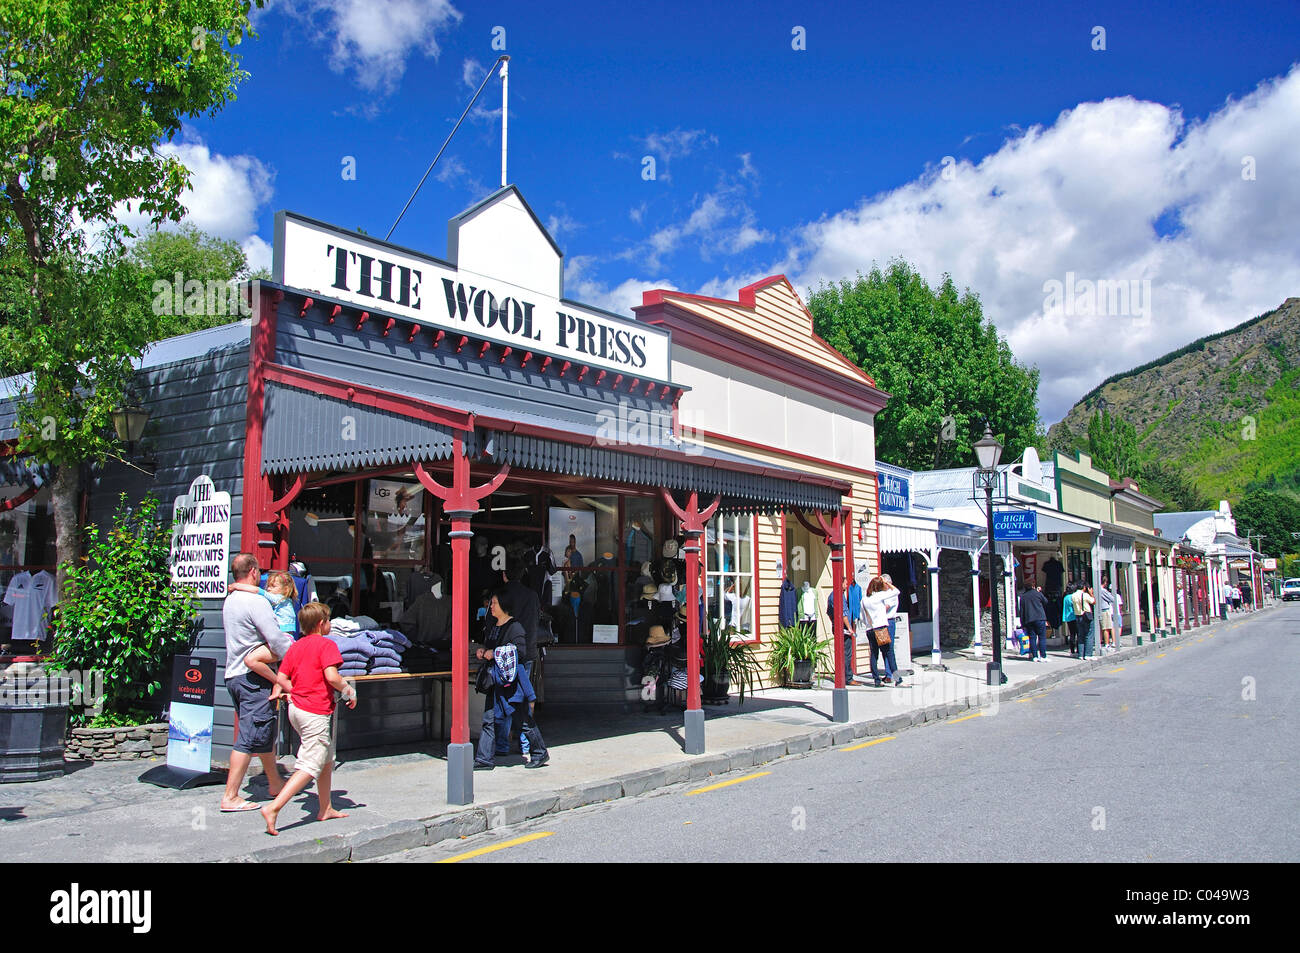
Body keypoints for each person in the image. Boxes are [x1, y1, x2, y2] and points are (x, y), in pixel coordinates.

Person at [259, 602, 357, 836]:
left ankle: (325, 808)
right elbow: (332, 677)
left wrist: (296, 689)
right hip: (315, 711)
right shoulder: (327, 645)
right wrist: (349, 691)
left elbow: (281, 677)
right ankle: (274, 808)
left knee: (325, 757)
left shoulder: (296, 646)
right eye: (329, 620)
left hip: (296, 709)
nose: (330, 624)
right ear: (322, 623)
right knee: (310, 763)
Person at [220, 553, 294, 813]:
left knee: (260, 733)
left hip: (234, 674)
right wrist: (294, 652)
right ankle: (230, 796)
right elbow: (275, 638)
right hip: (254, 677)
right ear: (252, 571)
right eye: (259, 571)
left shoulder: (231, 600)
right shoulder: (256, 602)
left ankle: (274, 782)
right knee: (249, 737)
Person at [474, 587, 548, 769]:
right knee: (488, 719)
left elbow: (519, 652)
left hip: (511, 682)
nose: (491, 606)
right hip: (495, 681)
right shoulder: (493, 627)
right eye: (491, 602)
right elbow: (491, 647)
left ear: (504, 605)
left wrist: (494, 653)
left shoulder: (515, 627)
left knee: (522, 720)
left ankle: (539, 752)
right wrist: (484, 652)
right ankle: (484, 759)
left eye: (495, 603)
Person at [229, 570, 298, 637]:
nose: (269, 589)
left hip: (283, 631)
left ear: (286, 589)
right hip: (286, 631)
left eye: (273, 586)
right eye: (268, 586)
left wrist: (236, 586)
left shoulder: (279, 598)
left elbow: (257, 590)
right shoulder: (286, 601)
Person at [861, 576, 902, 687]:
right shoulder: (879, 596)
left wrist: (868, 624)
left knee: (874, 654)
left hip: (870, 629)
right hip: (881, 628)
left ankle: (876, 680)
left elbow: (862, 617)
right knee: (889, 652)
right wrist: (886, 582)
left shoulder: (864, 599)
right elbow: (896, 591)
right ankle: (897, 678)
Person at [1018, 584, 1049, 661]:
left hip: (1029, 619)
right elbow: (1045, 601)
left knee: (1032, 638)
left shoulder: (1023, 596)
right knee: (1042, 638)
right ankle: (1043, 656)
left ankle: (1034, 656)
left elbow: (1021, 611)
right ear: (1033, 586)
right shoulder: (1037, 593)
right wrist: (1039, 592)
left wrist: (1022, 623)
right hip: (1040, 618)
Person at [1073, 584, 1096, 660]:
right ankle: (1088, 654)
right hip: (1086, 615)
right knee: (1089, 634)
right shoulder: (1085, 595)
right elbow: (1093, 602)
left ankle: (1081, 654)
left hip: (1078, 616)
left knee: (1080, 635)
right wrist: (1091, 593)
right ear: (1084, 587)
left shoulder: (1073, 595)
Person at [1097, 577, 1117, 654]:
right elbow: (1112, 599)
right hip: (1104, 610)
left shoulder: (1096, 590)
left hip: (1099, 610)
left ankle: (1100, 643)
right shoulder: (1103, 591)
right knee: (1106, 628)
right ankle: (1107, 644)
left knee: (1101, 628)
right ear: (1105, 582)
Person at [1062, 583, 1078, 654]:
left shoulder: (1065, 597)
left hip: (1068, 617)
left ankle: (1072, 650)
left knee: (1072, 634)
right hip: (1074, 616)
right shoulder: (1073, 597)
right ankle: (1078, 649)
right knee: (1078, 633)